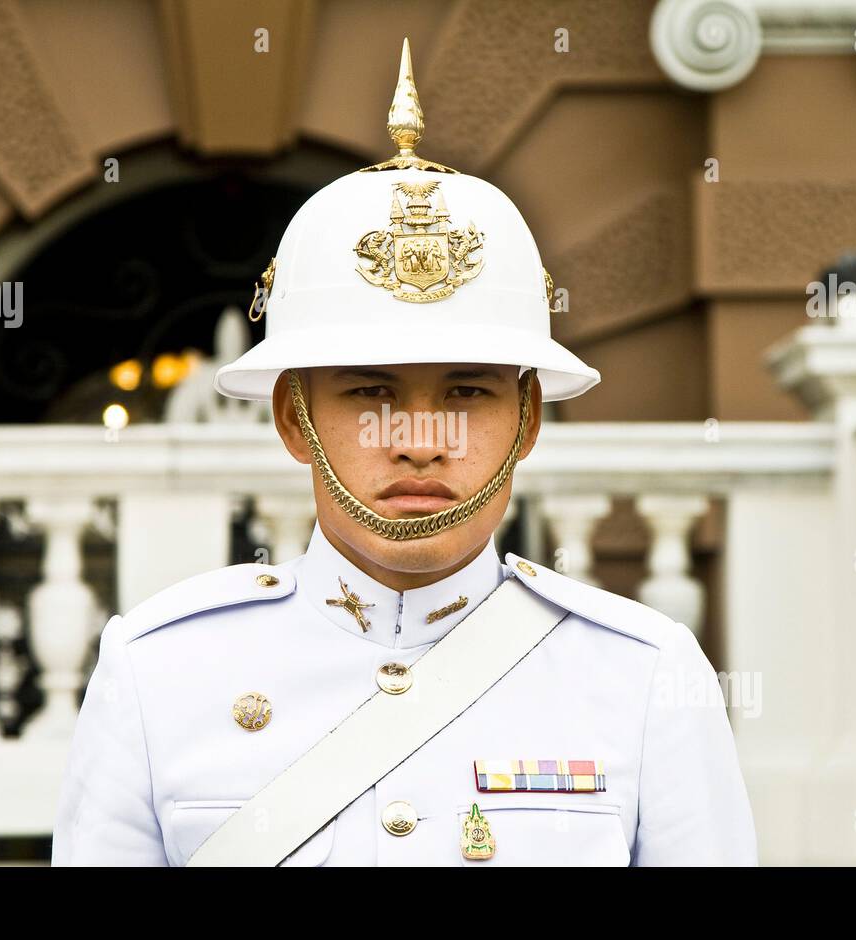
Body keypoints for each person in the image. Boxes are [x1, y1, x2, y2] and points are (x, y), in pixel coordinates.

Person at [51, 38, 757, 867]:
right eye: (370, 392)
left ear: (528, 420)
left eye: (467, 392)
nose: (420, 442)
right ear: (292, 417)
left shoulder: (642, 678)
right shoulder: (158, 671)